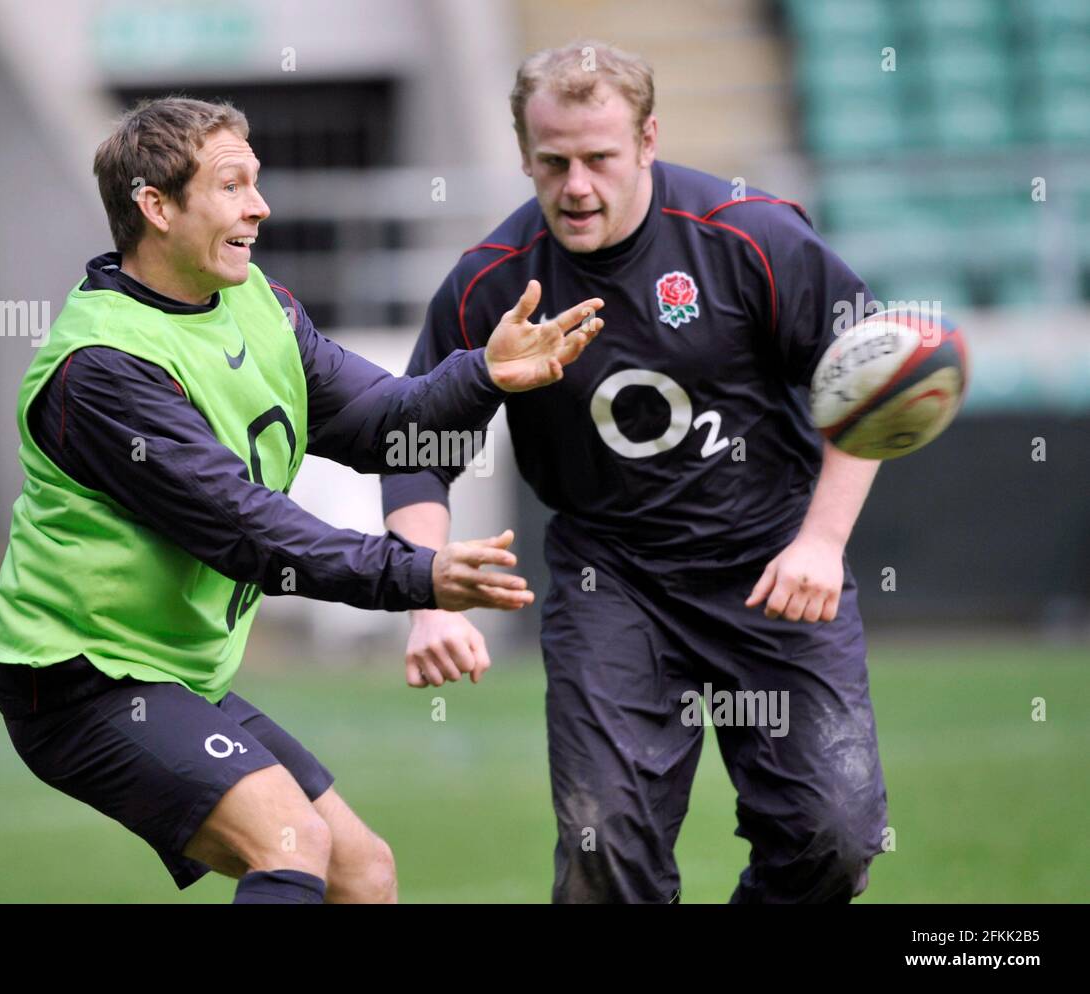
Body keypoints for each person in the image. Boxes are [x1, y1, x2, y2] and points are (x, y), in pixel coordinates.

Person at [0, 96, 603, 904]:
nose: (260, 206)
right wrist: (417, 576)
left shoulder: (257, 305)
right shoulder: (103, 366)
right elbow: (248, 532)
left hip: (173, 673)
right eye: (234, 185)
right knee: (292, 842)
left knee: (362, 873)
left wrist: (482, 373)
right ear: (156, 207)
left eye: (258, 182)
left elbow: (386, 425)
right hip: (80, 679)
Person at [381, 42, 889, 903]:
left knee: (832, 838)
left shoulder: (752, 235)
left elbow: (871, 376)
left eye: (599, 159)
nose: (576, 186)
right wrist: (427, 595)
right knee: (603, 851)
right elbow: (414, 448)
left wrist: (822, 544)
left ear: (648, 140)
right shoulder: (489, 285)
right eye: (553, 162)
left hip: (773, 569)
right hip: (610, 584)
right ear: (523, 155)